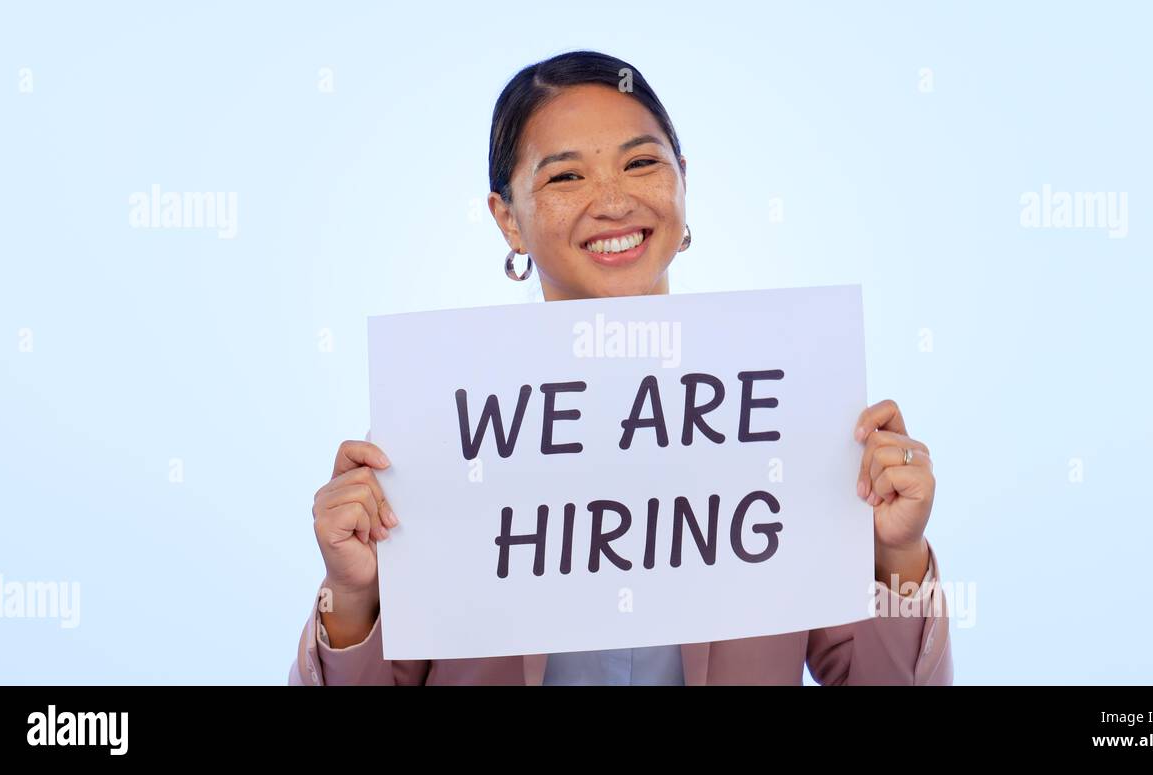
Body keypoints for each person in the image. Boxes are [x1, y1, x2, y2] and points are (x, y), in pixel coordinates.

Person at [289, 50, 951, 686]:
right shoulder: (435, 426)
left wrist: (896, 559)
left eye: (641, 163)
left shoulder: (787, 403)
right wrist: (353, 598)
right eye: (565, 176)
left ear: (682, 184)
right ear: (507, 220)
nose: (613, 201)